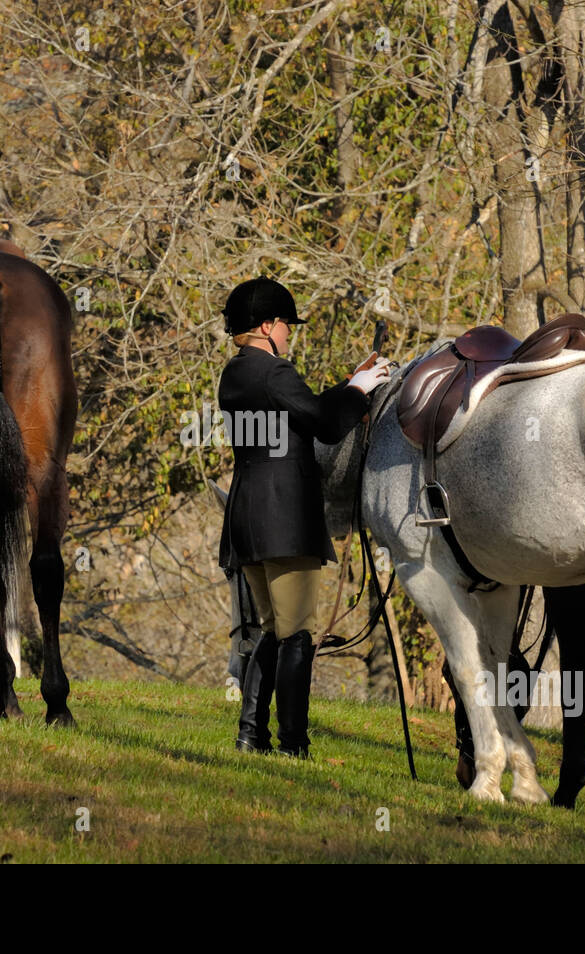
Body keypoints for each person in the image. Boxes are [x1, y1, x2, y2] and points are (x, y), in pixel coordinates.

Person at [218, 277, 392, 757]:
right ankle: (294, 743)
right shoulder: (275, 372)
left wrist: (346, 385)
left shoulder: (235, 374)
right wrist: (360, 391)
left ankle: (251, 733)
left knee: (272, 630)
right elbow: (328, 426)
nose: (290, 335)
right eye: (287, 326)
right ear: (269, 325)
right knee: (297, 634)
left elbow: (306, 411)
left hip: (246, 515)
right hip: (286, 517)